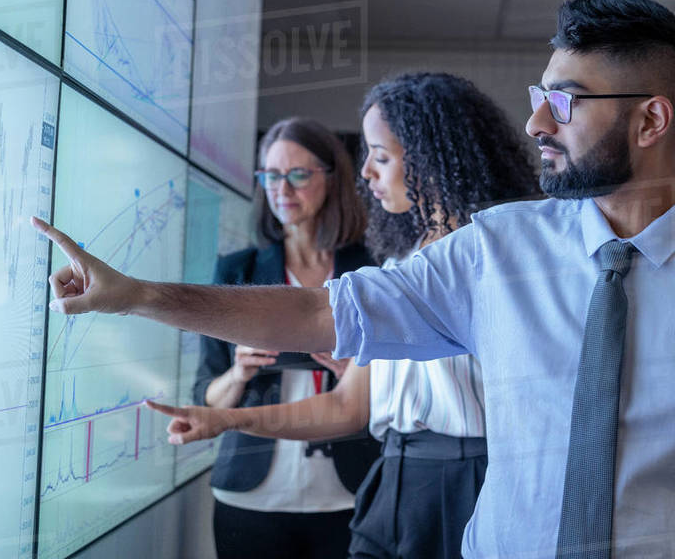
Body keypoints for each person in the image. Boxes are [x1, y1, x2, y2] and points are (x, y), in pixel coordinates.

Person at [32, 0, 675, 559]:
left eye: (563, 102)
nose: (535, 121)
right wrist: (139, 297)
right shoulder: (494, 251)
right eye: (539, 96)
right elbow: (322, 317)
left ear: (650, 117)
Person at [148, 73, 541, 559]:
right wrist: (224, 417)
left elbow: (316, 314)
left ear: (427, 157)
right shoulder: (401, 264)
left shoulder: (499, 255)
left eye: (380, 157)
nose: (368, 176)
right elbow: (345, 408)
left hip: (466, 478)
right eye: (270, 176)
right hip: (395, 475)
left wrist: (139, 296)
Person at [196, 117, 379, 559]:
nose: (283, 188)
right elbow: (207, 399)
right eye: (272, 175)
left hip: (348, 494)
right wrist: (238, 372)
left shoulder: (373, 268)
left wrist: (356, 372)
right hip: (250, 497)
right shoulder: (236, 273)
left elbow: (403, 389)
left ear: (332, 180)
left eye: (298, 174)